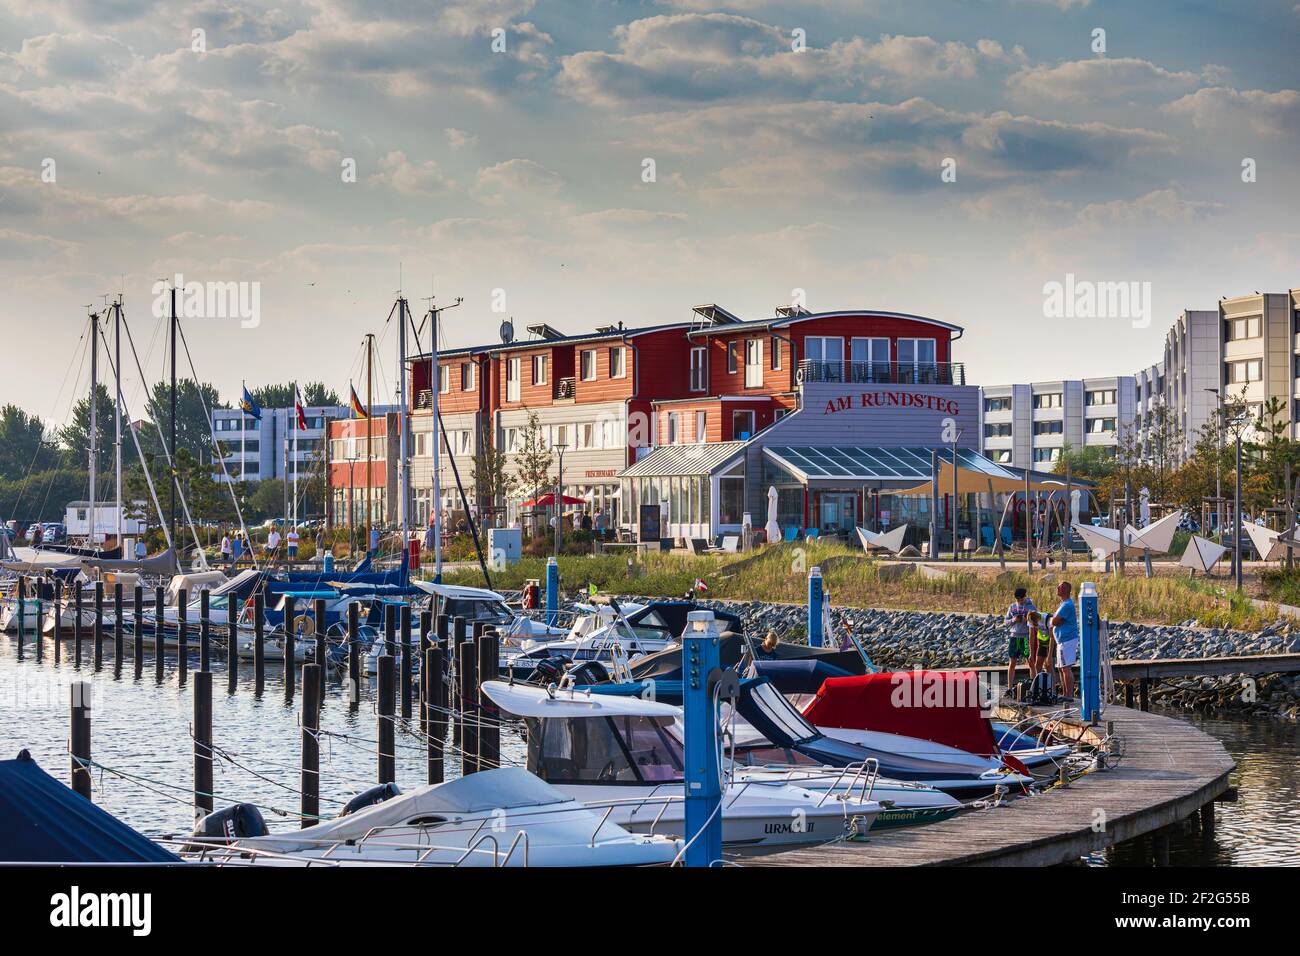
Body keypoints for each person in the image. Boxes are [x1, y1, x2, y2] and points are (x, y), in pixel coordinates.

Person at [1003, 587, 1035, 694]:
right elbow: (1006, 622)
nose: (1019, 601)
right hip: (1014, 637)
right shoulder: (1012, 607)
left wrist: (1027, 619)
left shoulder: (1031, 606)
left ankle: (1034, 687)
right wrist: (1014, 619)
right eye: (1017, 599)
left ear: (1025, 597)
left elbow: (1036, 620)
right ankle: (1009, 688)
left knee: (1030, 662)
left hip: (1025, 637)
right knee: (1012, 662)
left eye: (1021, 599)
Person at [1050, 581, 1079, 699]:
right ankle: (1065, 693)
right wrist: (1056, 620)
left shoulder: (1067, 605)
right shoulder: (1063, 604)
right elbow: (1056, 620)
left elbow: (1054, 621)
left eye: (1060, 587)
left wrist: (1055, 621)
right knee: (1062, 668)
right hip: (1061, 640)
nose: (1057, 588)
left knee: (1066, 668)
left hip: (1067, 640)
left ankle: (1069, 695)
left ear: (1066, 590)